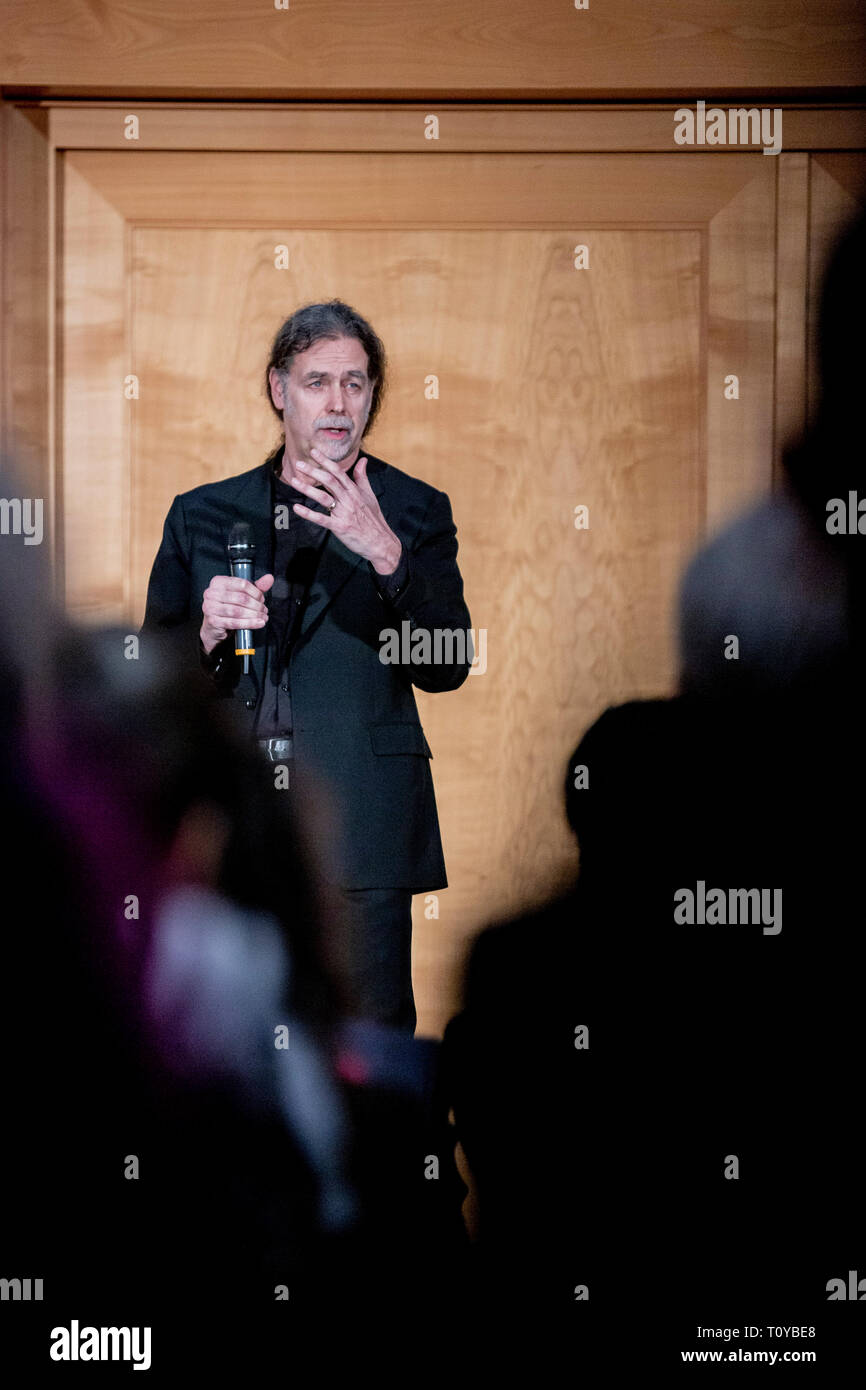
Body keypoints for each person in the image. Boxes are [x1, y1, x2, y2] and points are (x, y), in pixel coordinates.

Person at [141, 299, 473, 1032]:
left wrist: (387, 556)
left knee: (371, 1037)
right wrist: (203, 634)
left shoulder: (414, 511)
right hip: (235, 822)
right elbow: (151, 684)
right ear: (278, 390)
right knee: (227, 1040)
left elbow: (447, 662)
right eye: (318, 381)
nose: (338, 403)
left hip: (363, 816)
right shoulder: (202, 514)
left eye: (356, 384)